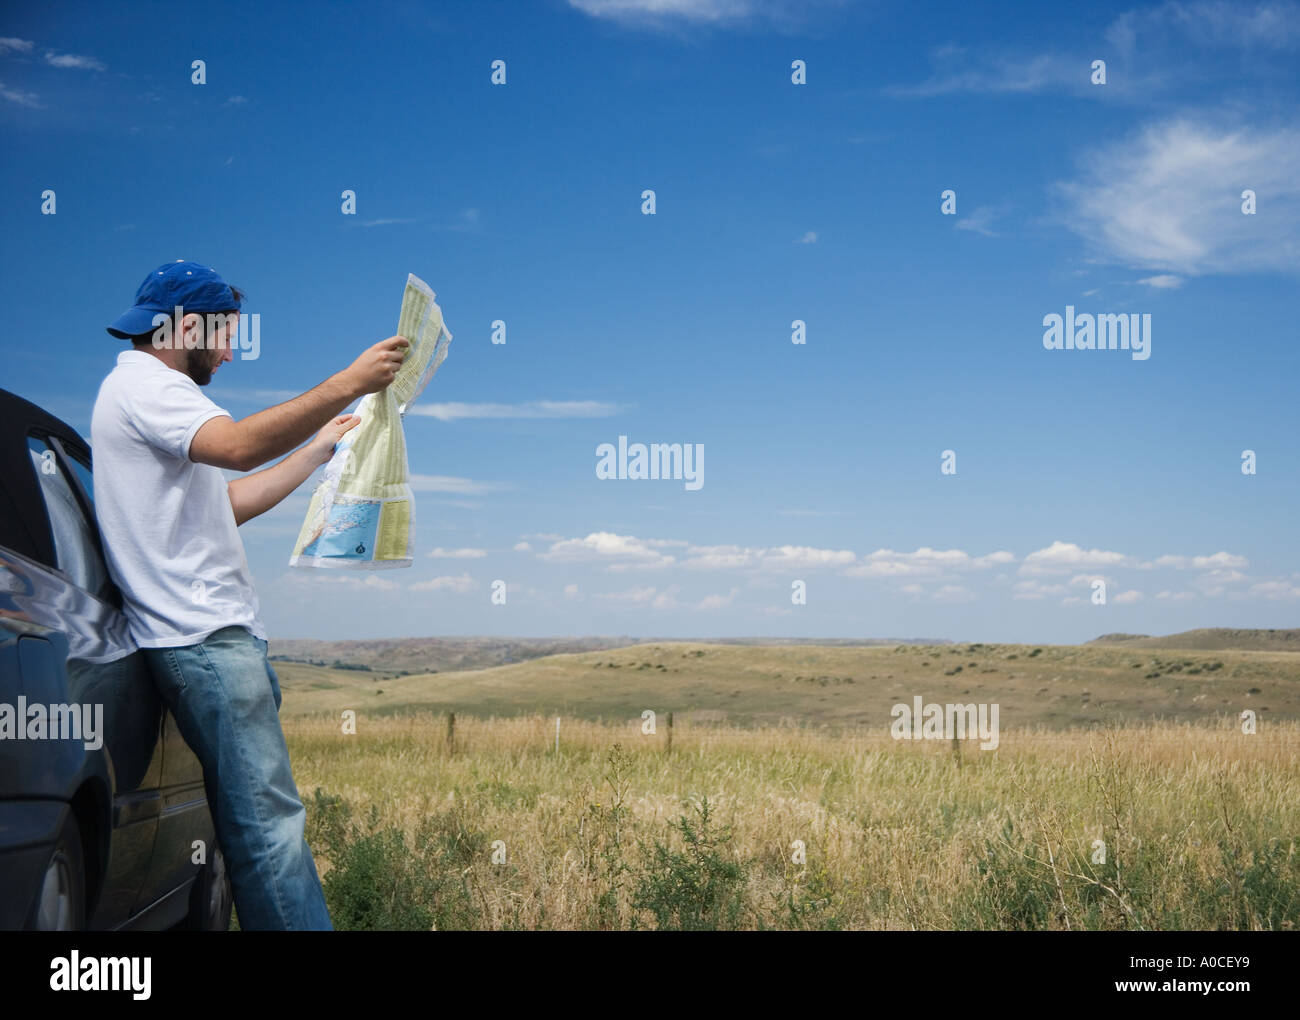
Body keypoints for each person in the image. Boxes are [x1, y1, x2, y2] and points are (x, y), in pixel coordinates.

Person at [90, 259, 408, 930]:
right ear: (183, 327)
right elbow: (236, 448)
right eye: (224, 334)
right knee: (270, 830)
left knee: (258, 825)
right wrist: (347, 383)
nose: (231, 350)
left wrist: (316, 451)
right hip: (206, 641)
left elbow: (225, 503)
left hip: (220, 640)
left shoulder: (152, 394)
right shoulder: (150, 387)